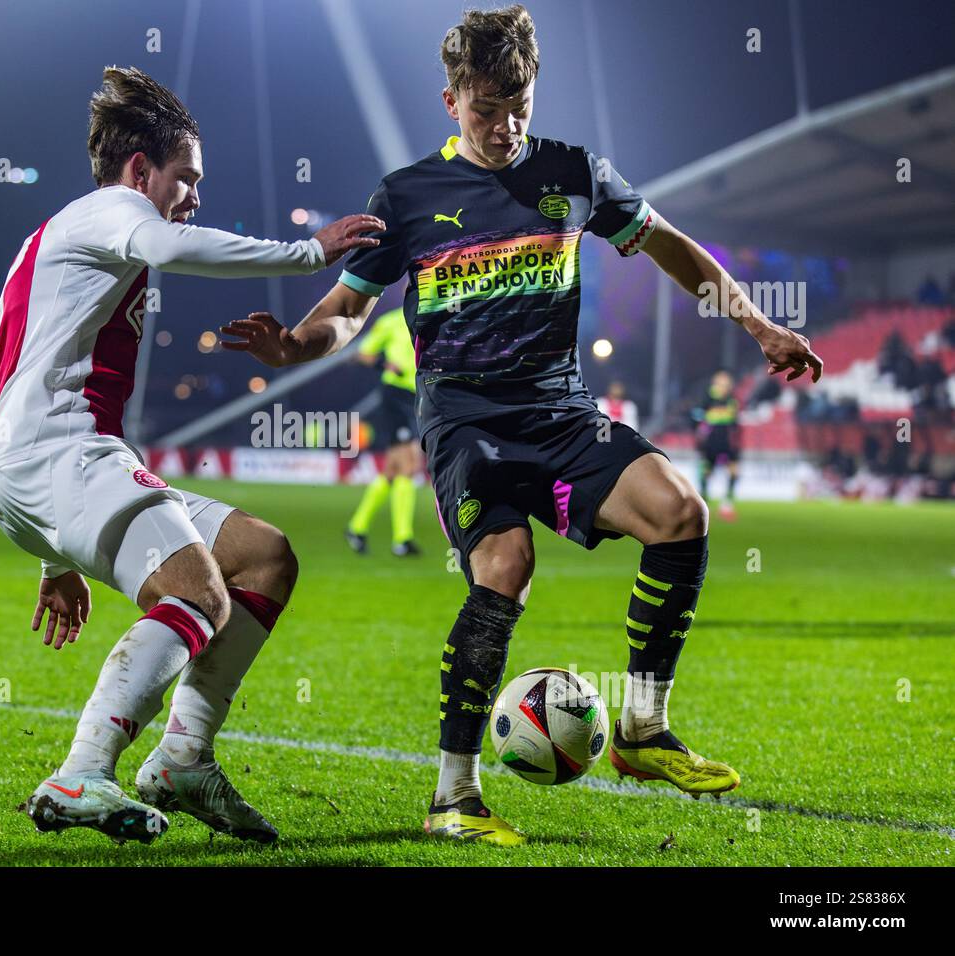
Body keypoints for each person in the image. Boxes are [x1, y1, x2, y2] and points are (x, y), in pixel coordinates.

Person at [221, 5, 822, 845]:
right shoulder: (407, 196)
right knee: (505, 566)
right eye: (485, 108)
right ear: (450, 101)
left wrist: (759, 326)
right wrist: (294, 346)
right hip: (466, 419)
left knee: (681, 511)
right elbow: (346, 311)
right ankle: (452, 796)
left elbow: (670, 245)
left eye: (519, 104)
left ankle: (643, 732)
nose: (504, 127)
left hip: (561, 409)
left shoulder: (575, 174)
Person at [0, 66, 381, 845]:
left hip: (37, 464)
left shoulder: (60, 234)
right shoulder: (114, 210)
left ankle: (183, 759)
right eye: (185, 177)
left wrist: (53, 560)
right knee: (200, 593)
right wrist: (307, 252)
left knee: (263, 558)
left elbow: (21, 378)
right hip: (60, 453)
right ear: (139, 171)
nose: (193, 194)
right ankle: (82, 771)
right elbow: (167, 238)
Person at [346, 305, 423, 557]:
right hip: (395, 395)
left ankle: (357, 527)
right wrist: (385, 364)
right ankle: (402, 539)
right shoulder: (390, 321)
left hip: (415, 396)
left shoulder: (427, 316)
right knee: (410, 464)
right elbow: (364, 353)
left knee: (393, 470)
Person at [694, 370, 741, 521]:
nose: (724, 384)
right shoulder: (707, 397)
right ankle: (704, 500)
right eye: (721, 381)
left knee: (734, 471)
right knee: (707, 471)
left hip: (728, 440)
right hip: (711, 440)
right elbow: (696, 416)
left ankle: (727, 503)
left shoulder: (732, 400)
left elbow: (735, 422)